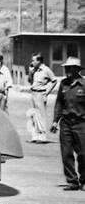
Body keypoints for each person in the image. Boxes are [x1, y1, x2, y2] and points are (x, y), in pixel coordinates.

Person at [51, 56, 85, 191]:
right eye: (66, 68)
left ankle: (84, 179)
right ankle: (72, 181)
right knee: (66, 153)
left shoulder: (83, 84)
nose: (67, 71)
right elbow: (59, 103)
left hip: (81, 124)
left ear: (77, 70)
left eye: (70, 68)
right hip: (66, 123)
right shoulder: (63, 84)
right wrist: (55, 121)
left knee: (83, 154)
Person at [28, 53, 54, 144]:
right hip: (33, 93)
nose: (32, 62)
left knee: (41, 116)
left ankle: (42, 137)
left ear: (39, 61)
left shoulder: (46, 70)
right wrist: (31, 73)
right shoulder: (34, 70)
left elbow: (54, 80)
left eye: (33, 60)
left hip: (40, 93)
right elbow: (30, 81)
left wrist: (47, 92)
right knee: (33, 115)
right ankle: (34, 136)